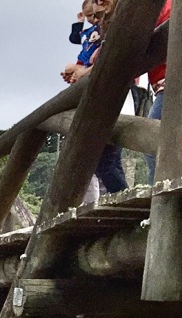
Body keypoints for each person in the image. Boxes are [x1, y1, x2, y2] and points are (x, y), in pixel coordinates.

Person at [61, 0, 127, 195]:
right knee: (105, 159)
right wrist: (78, 71)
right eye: (93, 16)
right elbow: (79, 44)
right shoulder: (97, 33)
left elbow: (111, 60)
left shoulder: (115, 29)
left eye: (97, 15)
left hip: (116, 93)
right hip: (105, 93)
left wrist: (82, 71)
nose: (95, 20)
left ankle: (120, 196)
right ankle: (118, 197)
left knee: (105, 159)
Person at [144, 0, 172, 181]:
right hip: (163, 84)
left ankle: (157, 188)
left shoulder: (163, 8)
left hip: (170, 83)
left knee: (150, 139)